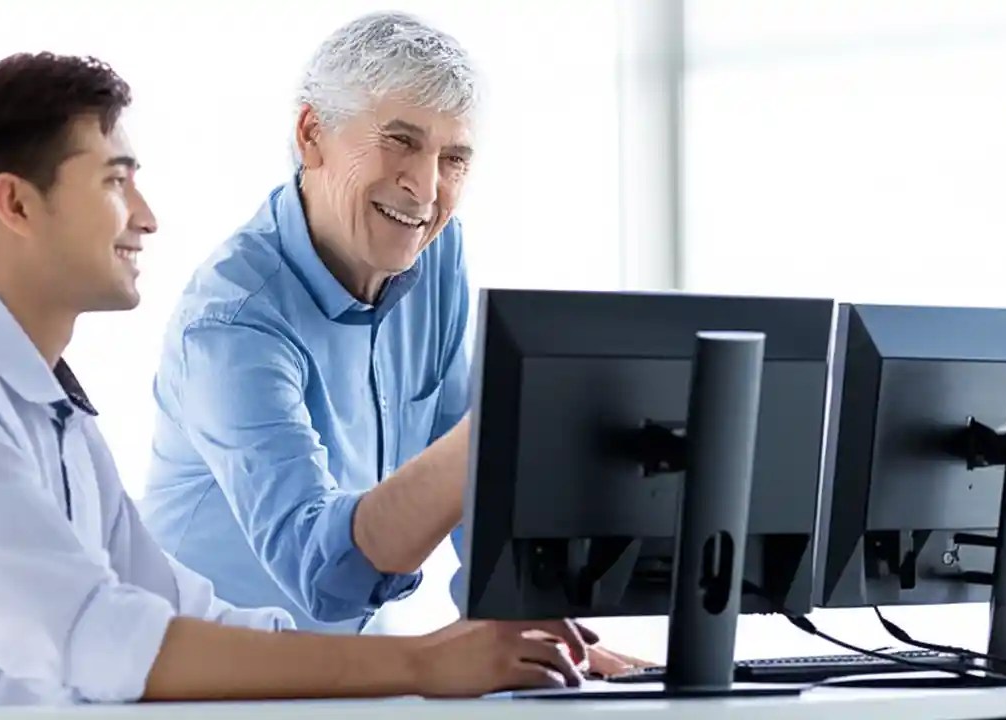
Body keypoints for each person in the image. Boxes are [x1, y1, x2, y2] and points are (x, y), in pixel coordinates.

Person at [0, 52, 585, 720]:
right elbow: (101, 639)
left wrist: (469, 653)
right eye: (117, 182)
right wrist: (422, 666)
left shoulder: (56, 416)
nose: (147, 218)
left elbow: (183, 607)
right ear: (15, 203)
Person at [141, 12, 646, 673]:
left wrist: (539, 621)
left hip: (356, 673)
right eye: (400, 142)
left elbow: (465, 477)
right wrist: (501, 425)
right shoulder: (232, 322)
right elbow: (324, 575)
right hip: (217, 684)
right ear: (311, 134)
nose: (427, 189)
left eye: (453, 158)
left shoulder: (435, 256)